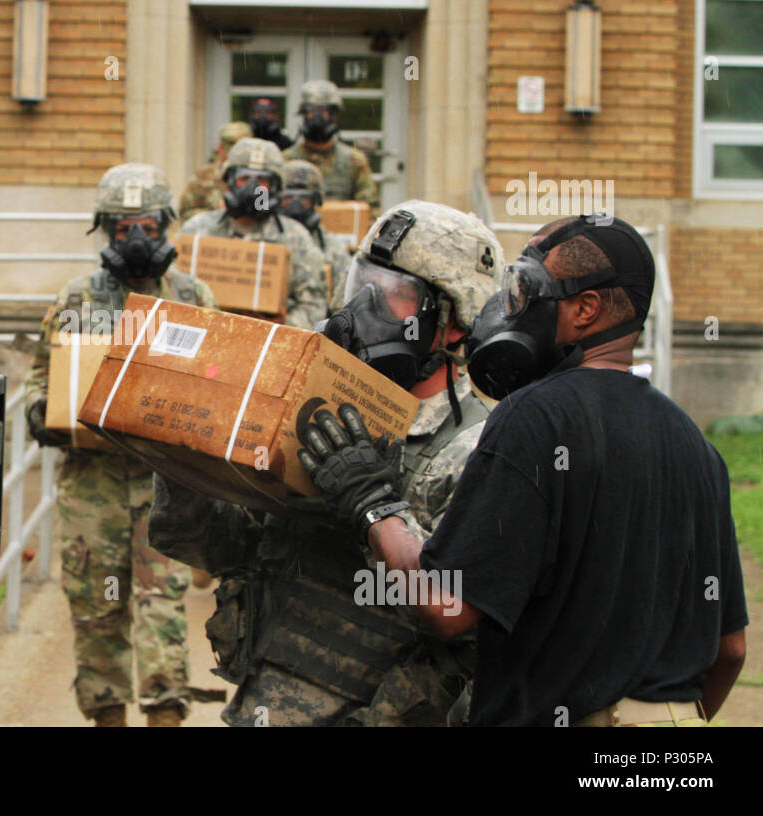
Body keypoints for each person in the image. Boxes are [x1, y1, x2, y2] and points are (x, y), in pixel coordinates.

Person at [299, 214, 749, 726]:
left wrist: (371, 501)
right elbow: (730, 649)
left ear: (586, 309)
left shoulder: (533, 419)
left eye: (527, 290)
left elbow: (447, 608)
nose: (511, 308)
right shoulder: (696, 445)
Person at [150, 202, 506, 726]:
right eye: (361, 284)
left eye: (393, 295)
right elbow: (222, 550)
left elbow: (466, 630)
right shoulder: (319, 411)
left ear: (453, 325)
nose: (363, 309)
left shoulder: (478, 451)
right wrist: (180, 460)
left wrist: (375, 507)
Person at [24, 163, 218, 728]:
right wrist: (44, 410)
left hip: (167, 484)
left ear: (165, 228)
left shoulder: (192, 296)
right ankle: (107, 716)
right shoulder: (79, 297)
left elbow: (218, 379)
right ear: (103, 230)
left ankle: (165, 715)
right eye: (122, 227)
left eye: (147, 228)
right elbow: (44, 373)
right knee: (97, 606)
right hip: (93, 485)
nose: (135, 240)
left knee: (161, 606)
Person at [180, 137, 327, 330]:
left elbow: (314, 307)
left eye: (262, 180)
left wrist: (281, 325)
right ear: (230, 182)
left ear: (275, 187)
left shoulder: (296, 238)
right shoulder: (198, 231)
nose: (252, 188)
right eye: (244, 178)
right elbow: (175, 296)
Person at [282, 80, 378, 212]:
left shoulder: (354, 160)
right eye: (312, 111)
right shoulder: (285, 160)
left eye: (324, 111)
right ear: (303, 114)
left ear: (335, 116)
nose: (317, 117)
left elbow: (369, 208)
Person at [278, 159, 353, 313]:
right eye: (288, 199)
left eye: (304, 200)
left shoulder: (333, 250)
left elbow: (345, 306)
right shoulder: (267, 241)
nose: (295, 206)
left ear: (316, 201)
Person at [178, 121, 251, 224]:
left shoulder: (259, 178)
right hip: (213, 236)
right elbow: (184, 214)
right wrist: (216, 212)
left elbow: (265, 210)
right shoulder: (202, 176)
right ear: (221, 148)